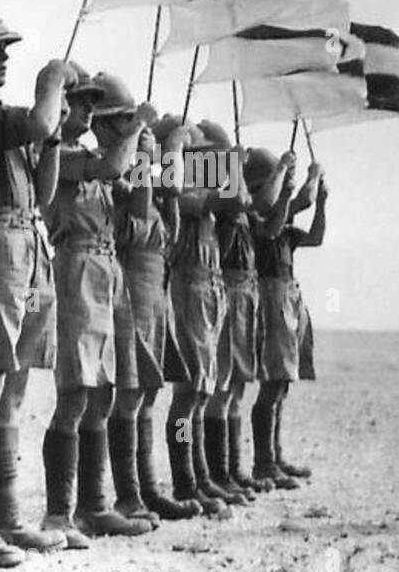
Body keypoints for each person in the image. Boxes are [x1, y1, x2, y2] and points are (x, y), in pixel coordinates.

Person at [0, 1, 72, 566]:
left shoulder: (3, 118)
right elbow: (40, 122)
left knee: (14, 386)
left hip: (26, 242)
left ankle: (5, 520)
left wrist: (51, 140)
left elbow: (44, 191)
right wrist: (53, 79)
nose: (4, 59)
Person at [39, 69, 157, 544]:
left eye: (92, 105)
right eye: (81, 103)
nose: (87, 113)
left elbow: (142, 212)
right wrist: (135, 130)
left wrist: (146, 159)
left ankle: (94, 505)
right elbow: (108, 170)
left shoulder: (92, 156)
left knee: (102, 392)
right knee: (74, 393)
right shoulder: (57, 154)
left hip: (107, 274)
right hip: (76, 270)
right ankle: (58, 513)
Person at [108, 103, 198, 521]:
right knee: (128, 398)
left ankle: (148, 489)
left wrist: (166, 173)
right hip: (130, 299)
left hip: (153, 302)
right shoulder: (123, 183)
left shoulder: (155, 192)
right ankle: (129, 495)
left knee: (147, 396)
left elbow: (169, 232)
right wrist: (147, 158)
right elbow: (141, 216)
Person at [160, 119, 251, 518]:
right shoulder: (185, 199)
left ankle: (198, 475)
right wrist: (229, 149)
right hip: (190, 289)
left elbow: (236, 208)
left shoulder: (206, 207)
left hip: (210, 291)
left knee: (201, 392)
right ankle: (185, 480)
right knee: (189, 391)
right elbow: (241, 199)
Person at [206, 128, 293, 501]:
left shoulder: (240, 208)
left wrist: (286, 190)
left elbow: (270, 224)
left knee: (236, 386)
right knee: (220, 388)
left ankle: (231, 469)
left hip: (245, 294)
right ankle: (217, 471)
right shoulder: (230, 201)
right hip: (227, 291)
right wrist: (279, 174)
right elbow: (259, 205)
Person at [248, 148, 328, 488]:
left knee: (281, 382)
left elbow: (314, 236)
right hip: (271, 296)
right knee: (273, 381)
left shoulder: (279, 224)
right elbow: (297, 206)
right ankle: (264, 462)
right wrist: (309, 180)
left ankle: (274, 456)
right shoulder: (257, 218)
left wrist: (319, 198)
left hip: (287, 295)